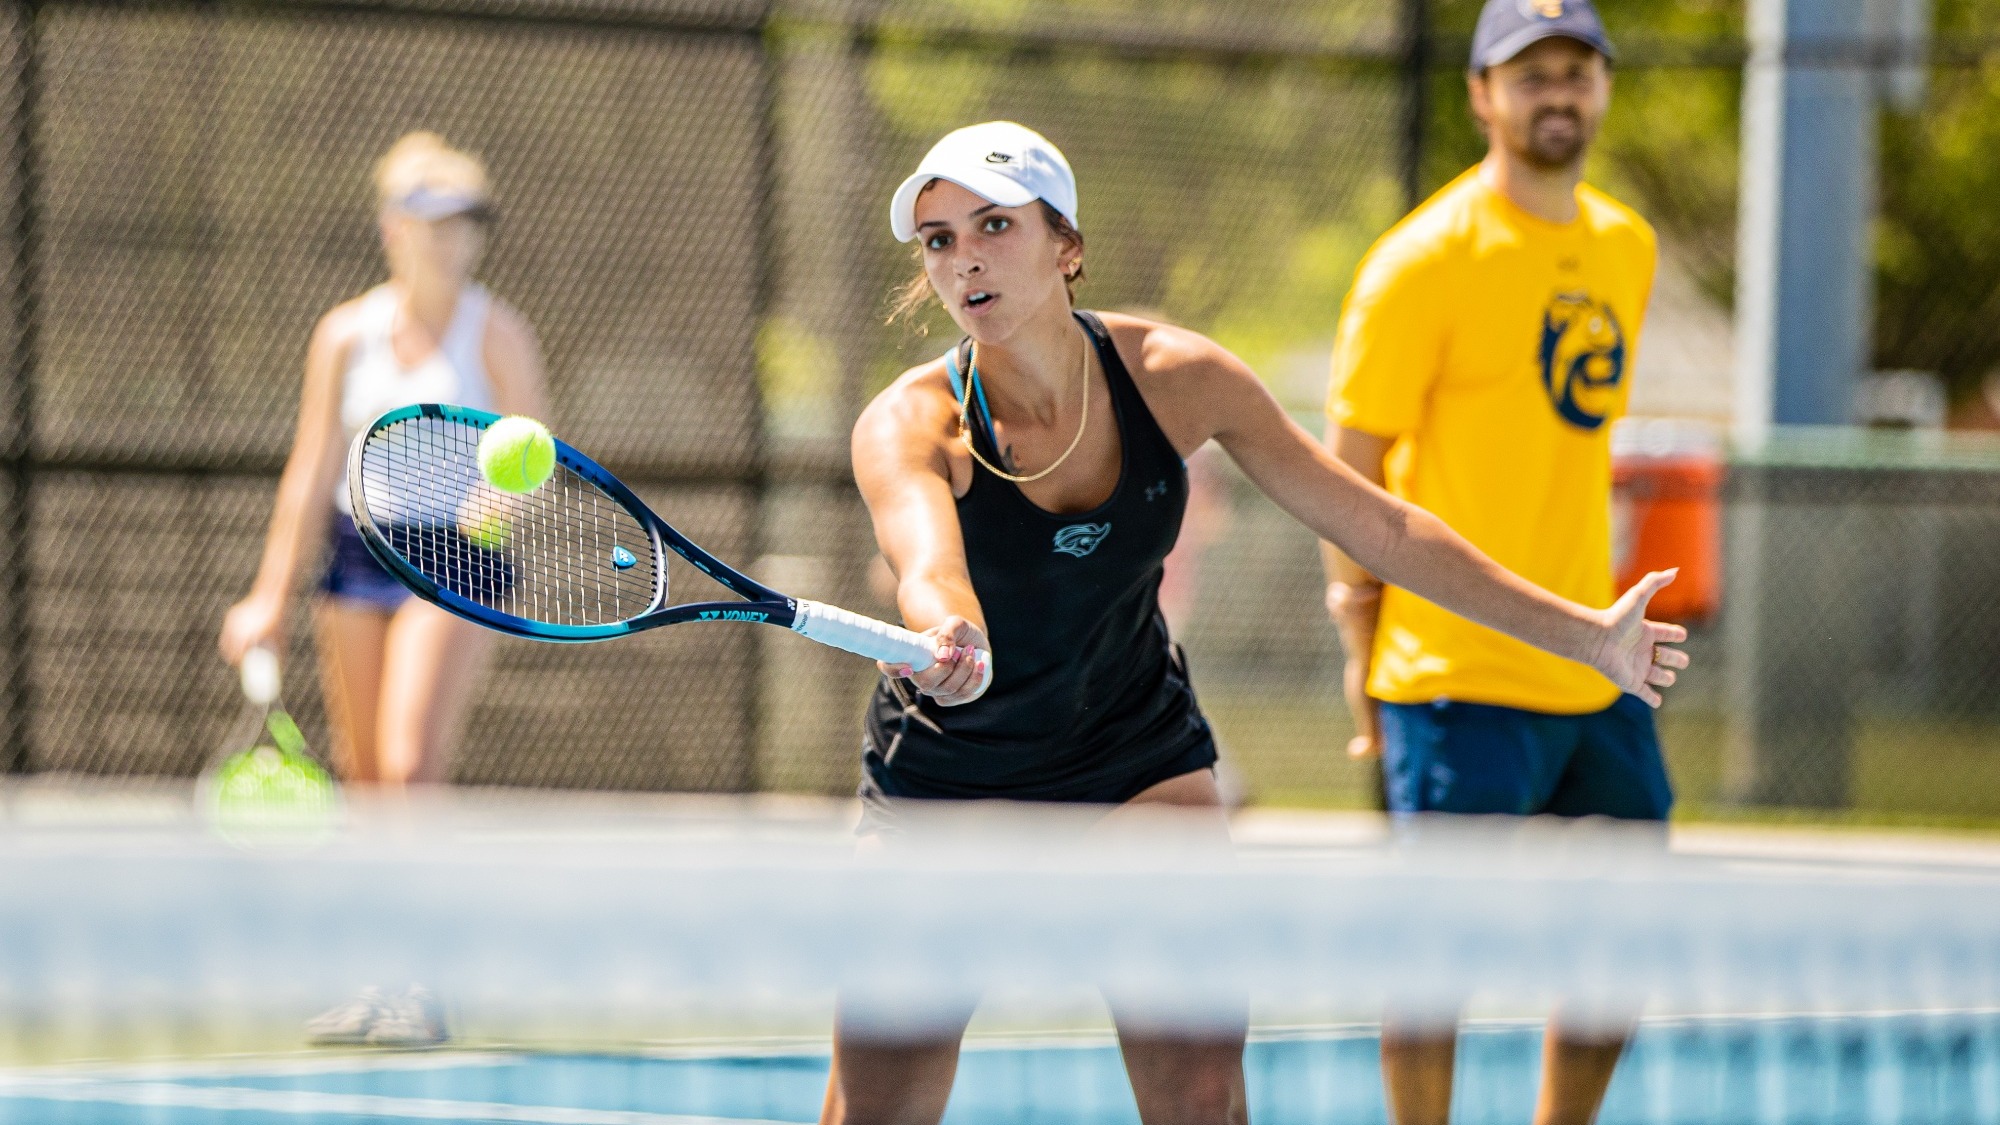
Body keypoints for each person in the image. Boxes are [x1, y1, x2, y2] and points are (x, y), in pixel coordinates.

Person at [825, 117, 1686, 1125]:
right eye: (937, 239)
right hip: (945, 781)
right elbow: (925, 564)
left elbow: (1382, 528)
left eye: (992, 225)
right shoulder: (907, 423)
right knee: (876, 1110)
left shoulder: (1178, 379)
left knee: (1199, 1089)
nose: (963, 258)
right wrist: (951, 630)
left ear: (1066, 246)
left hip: (1128, 754)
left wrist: (1588, 636)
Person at [1319, 2, 1668, 1122]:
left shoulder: (1625, 245)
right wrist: (1356, 642)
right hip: (1450, 679)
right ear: (1480, 96)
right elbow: (1347, 473)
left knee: (1618, 949)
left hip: (1594, 668)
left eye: (1575, 70)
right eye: (1527, 75)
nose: (1555, 93)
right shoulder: (1417, 262)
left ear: (1602, 88)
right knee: (1432, 966)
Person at [217, 131, 549, 1045]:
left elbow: (531, 462)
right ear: (390, 226)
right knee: (367, 783)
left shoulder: (499, 330)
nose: (448, 238)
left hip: (457, 566)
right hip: (356, 558)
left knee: (408, 765)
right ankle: (377, 977)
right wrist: (266, 598)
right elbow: (310, 465)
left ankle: (420, 979)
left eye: (464, 221)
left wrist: (483, 522)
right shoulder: (344, 333)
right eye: (429, 219)